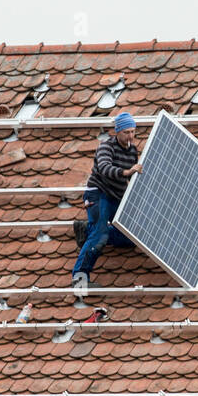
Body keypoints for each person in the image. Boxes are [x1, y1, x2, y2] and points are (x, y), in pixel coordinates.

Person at [71, 111, 143, 294]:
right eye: (126, 132)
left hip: (116, 196)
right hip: (98, 194)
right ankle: (80, 279)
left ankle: (86, 229)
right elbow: (104, 168)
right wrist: (126, 172)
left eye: (133, 132)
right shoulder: (106, 147)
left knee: (131, 237)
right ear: (117, 131)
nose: (130, 136)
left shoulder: (132, 151)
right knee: (100, 234)